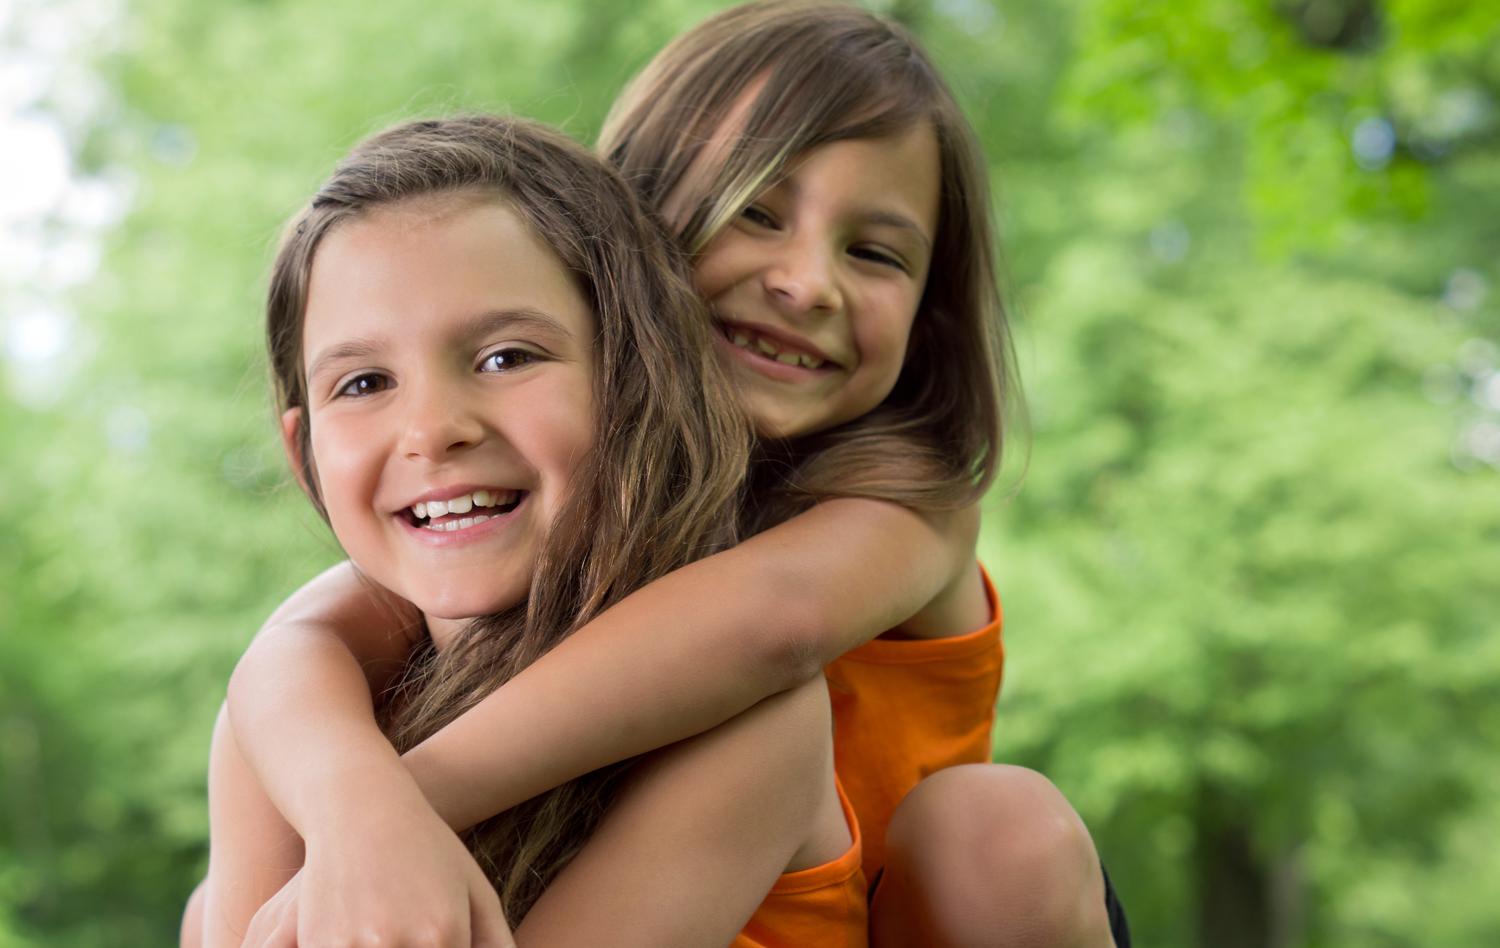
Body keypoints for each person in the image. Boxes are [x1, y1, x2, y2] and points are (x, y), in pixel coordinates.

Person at [205, 1, 1128, 945]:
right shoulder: (522, 516)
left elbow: (772, 625)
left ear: (929, 312)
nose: (809, 283)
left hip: (893, 914)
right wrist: (345, 801)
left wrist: (391, 813)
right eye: (756, 212)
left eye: (875, 253)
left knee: (998, 828)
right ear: (623, 250)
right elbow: (292, 650)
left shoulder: (909, 503)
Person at [188, 114, 867, 947]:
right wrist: (353, 808)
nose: (432, 430)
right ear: (306, 457)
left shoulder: (750, 721)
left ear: (637, 382)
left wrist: (378, 817)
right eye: (364, 381)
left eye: (507, 357)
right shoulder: (293, 726)